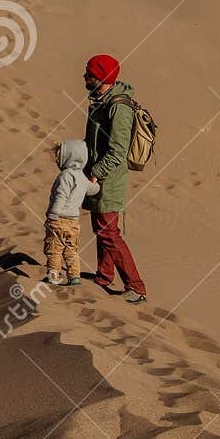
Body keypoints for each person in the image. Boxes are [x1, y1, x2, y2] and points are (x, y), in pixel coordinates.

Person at [83, 54, 148, 303]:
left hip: (108, 179)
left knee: (109, 233)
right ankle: (104, 276)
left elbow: (118, 153)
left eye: (88, 72)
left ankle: (136, 287)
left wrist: (95, 173)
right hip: (100, 176)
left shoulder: (118, 107)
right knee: (103, 230)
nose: (84, 76)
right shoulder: (101, 100)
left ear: (100, 76)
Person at [44, 140, 98, 287]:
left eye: (59, 157)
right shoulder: (82, 177)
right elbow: (93, 190)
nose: (56, 160)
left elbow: (61, 196)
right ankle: (74, 277)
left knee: (54, 250)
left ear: (69, 157)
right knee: (71, 250)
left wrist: (53, 214)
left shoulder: (66, 176)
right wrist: (94, 182)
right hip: (74, 222)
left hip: (59, 220)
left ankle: (53, 277)